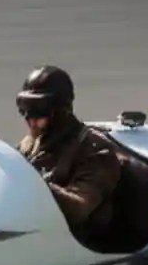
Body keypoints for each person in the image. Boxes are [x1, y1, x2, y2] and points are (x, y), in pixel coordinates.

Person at [15, 65, 122, 240]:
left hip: (74, 241)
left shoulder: (95, 151)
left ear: (60, 111)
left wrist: (34, 183)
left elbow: (79, 208)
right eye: (25, 109)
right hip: (35, 229)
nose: (30, 119)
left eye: (38, 111)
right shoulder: (33, 141)